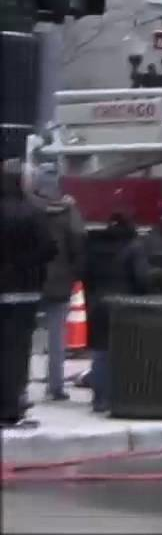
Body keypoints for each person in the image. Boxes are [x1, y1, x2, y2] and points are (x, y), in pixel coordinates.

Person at [2, 159, 57, 429]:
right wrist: (25, 262)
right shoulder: (32, 212)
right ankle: (12, 407)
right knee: (16, 351)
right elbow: (49, 248)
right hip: (23, 291)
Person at [81, 213, 151, 414]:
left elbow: (84, 273)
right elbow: (142, 279)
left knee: (100, 352)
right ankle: (120, 397)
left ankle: (100, 398)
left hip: (97, 303)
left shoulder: (94, 246)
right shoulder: (133, 247)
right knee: (123, 352)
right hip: (124, 306)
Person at [32, 165, 87, 403]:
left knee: (19, 336)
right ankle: (54, 387)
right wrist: (75, 272)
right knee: (57, 336)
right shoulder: (69, 211)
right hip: (61, 279)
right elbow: (79, 241)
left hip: (30, 279)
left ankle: (18, 386)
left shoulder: (30, 208)